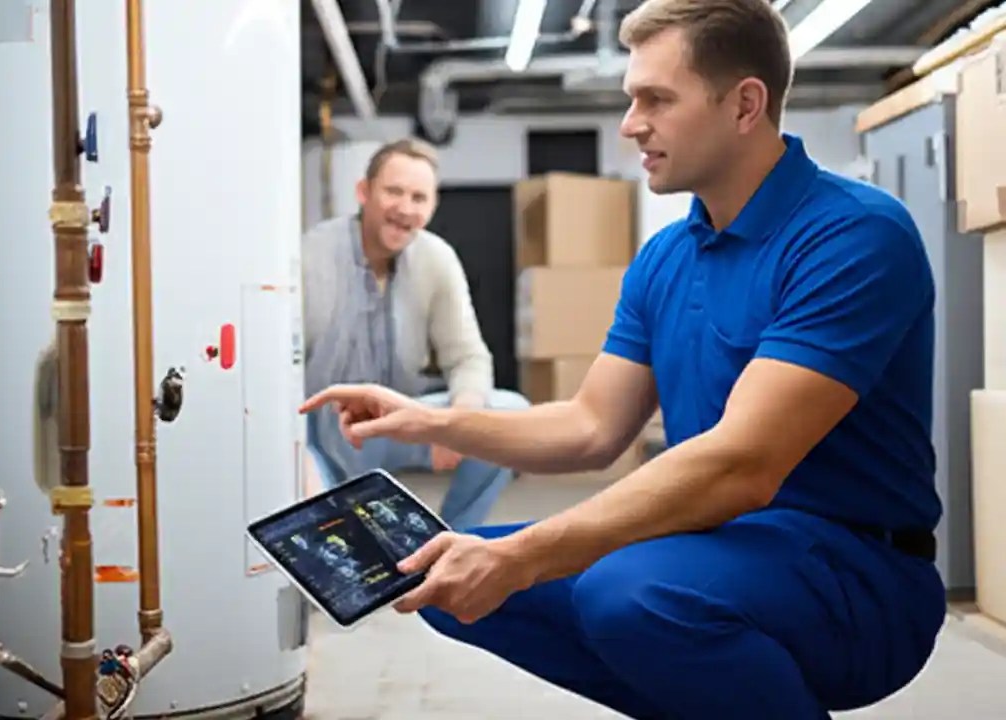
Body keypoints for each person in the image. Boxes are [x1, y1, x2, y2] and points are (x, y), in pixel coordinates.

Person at [299, 1, 946, 718]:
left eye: (656, 100)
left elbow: (743, 465)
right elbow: (589, 427)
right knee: (443, 577)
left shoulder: (851, 236)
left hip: (857, 575)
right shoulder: (666, 256)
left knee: (628, 594)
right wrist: (430, 422)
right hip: (719, 548)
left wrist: (524, 557)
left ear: (745, 105)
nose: (631, 123)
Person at [300, 138, 529, 531]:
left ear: (433, 206)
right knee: (331, 536)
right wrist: (297, 452)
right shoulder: (311, 255)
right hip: (321, 432)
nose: (405, 209)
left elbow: (469, 358)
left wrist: (457, 424)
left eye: (419, 197)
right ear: (363, 192)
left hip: (395, 421)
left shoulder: (436, 258)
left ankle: (452, 541)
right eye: (393, 192)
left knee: (511, 418)